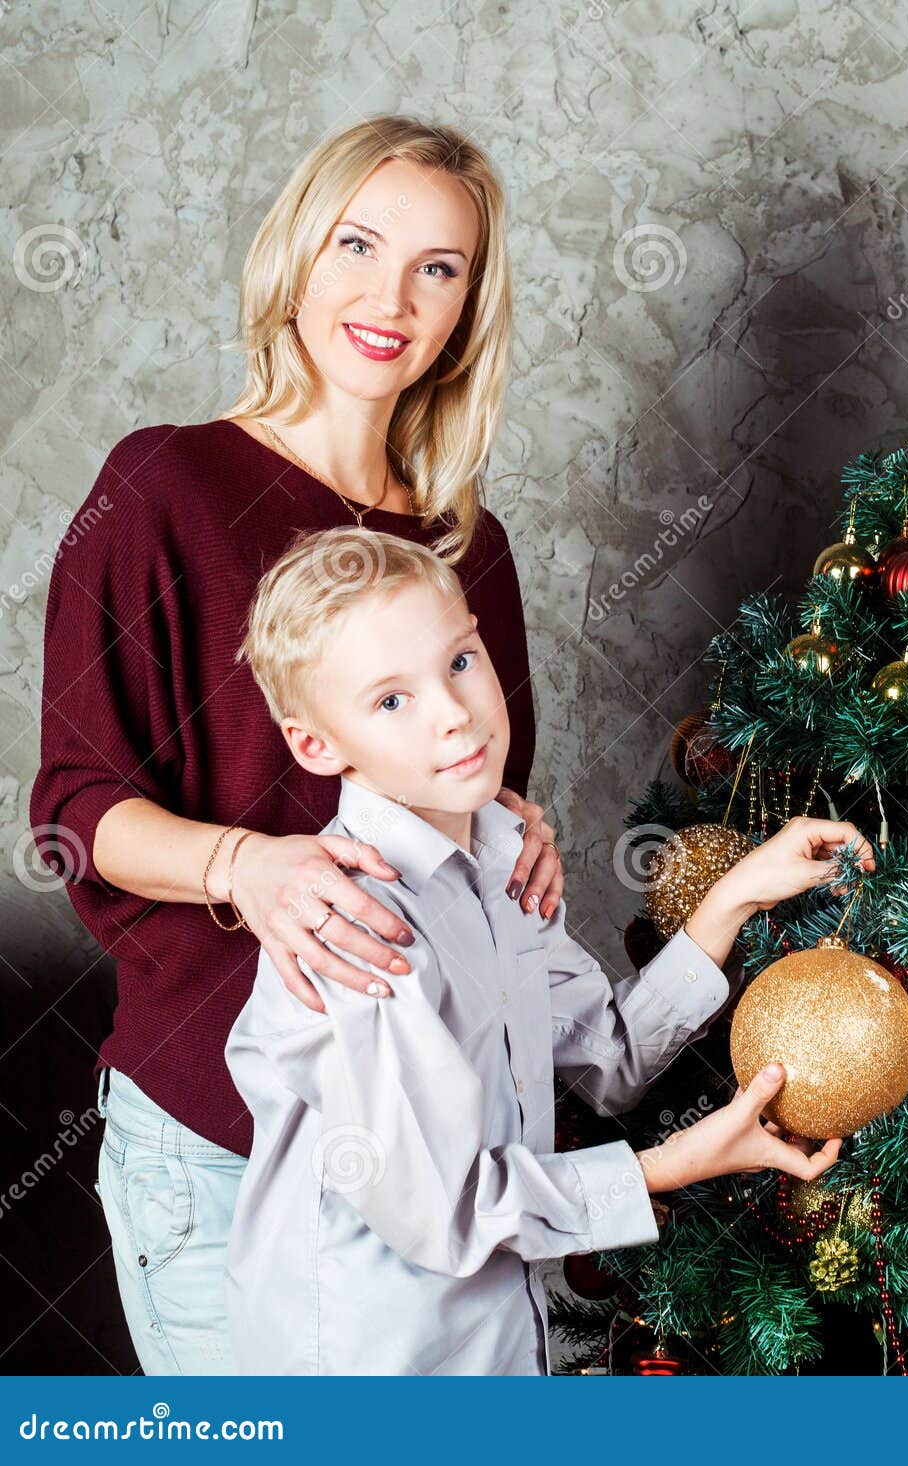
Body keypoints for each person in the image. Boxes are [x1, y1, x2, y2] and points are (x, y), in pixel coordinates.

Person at [31, 117, 567, 1374]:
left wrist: (515, 826)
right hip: (219, 1142)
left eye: (437, 268)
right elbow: (75, 810)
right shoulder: (164, 487)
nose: (391, 299)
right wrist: (249, 866)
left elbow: (457, 805)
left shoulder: (467, 549)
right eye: (358, 246)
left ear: (466, 308)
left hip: (428, 1155)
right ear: (297, 256)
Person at [225, 527, 869, 1374]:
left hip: (497, 1344)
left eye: (460, 662)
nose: (454, 713)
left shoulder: (505, 856)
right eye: (391, 701)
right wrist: (663, 1168)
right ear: (316, 745)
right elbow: (447, 1211)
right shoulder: (354, 927)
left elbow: (610, 1055)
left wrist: (736, 894)